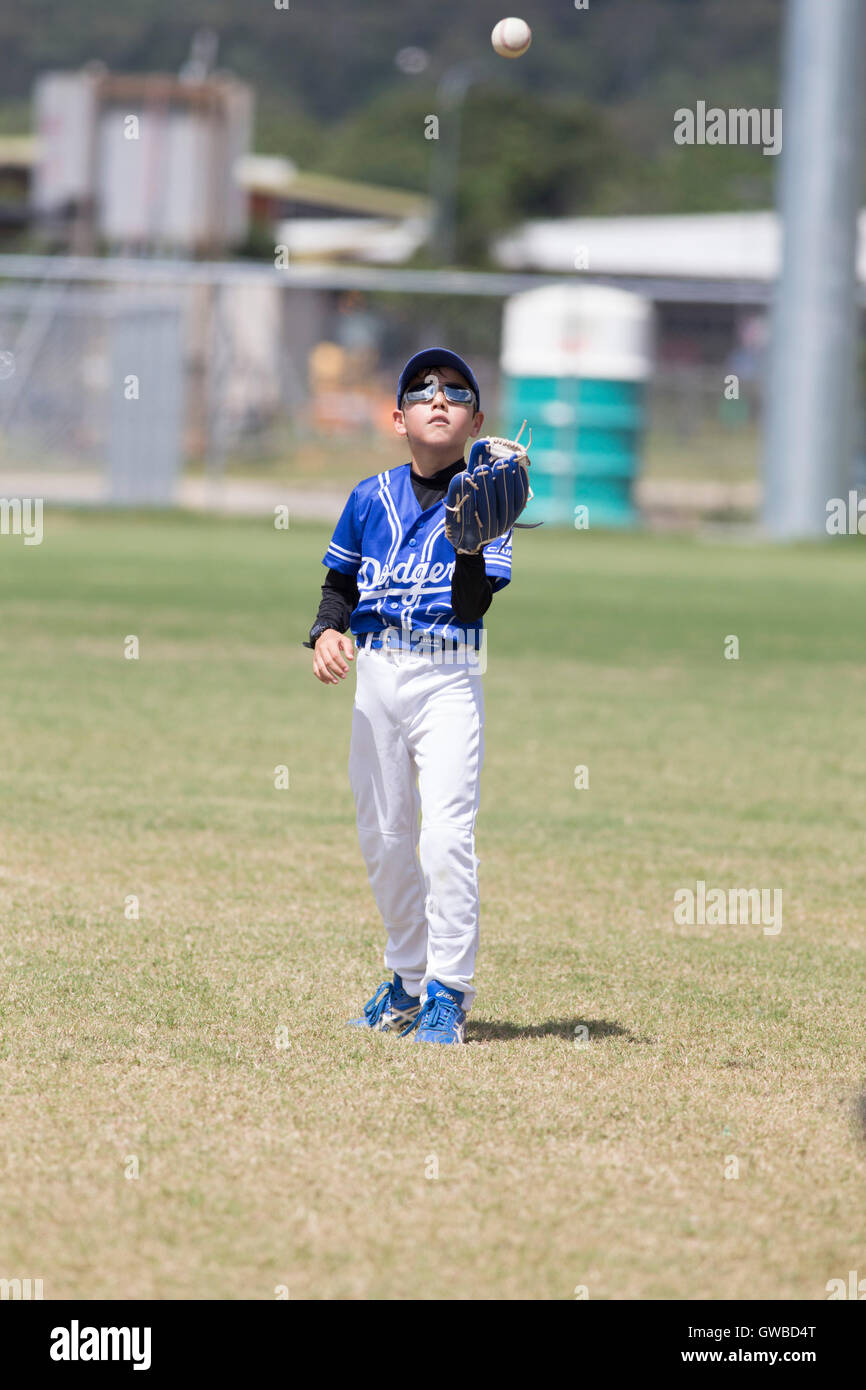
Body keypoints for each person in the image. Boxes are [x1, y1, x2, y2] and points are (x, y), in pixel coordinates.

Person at [305, 349, 515, 1044]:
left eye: (456, 391)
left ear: (476, 420)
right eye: (422, 389)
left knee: (447, 838)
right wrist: (327, 633)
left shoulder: (490, 497)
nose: (438, 397)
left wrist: (472, 541)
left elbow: (472, 603)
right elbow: (340, 587)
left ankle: (449, 993)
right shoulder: (369, 497)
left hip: (449, 673)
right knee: (386, 838)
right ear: (398, 418)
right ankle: (407, 982)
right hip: (378, 675)